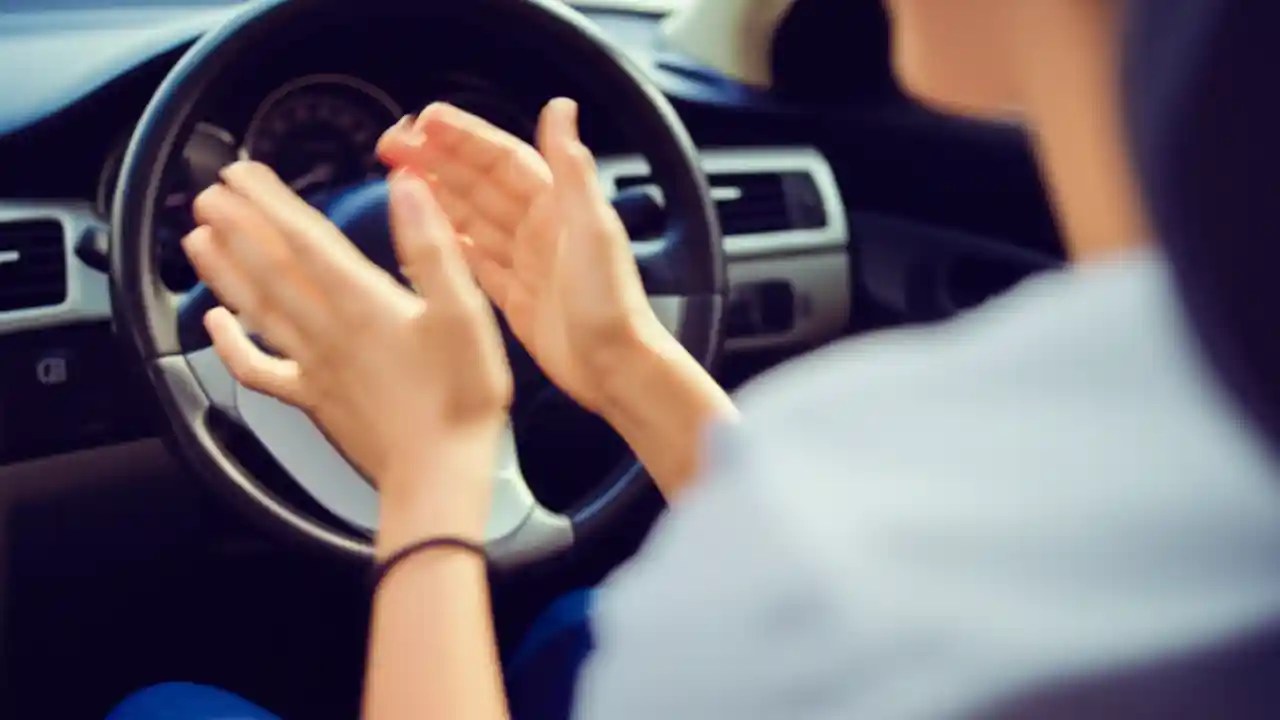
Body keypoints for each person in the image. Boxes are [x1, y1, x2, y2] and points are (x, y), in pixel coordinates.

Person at [110, 1, 1280, 719]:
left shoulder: (866, 560)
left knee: (165, 705)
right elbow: (819, 572)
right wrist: (623, 357)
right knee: (569, 635)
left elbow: (828, 584)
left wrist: (432, 479)